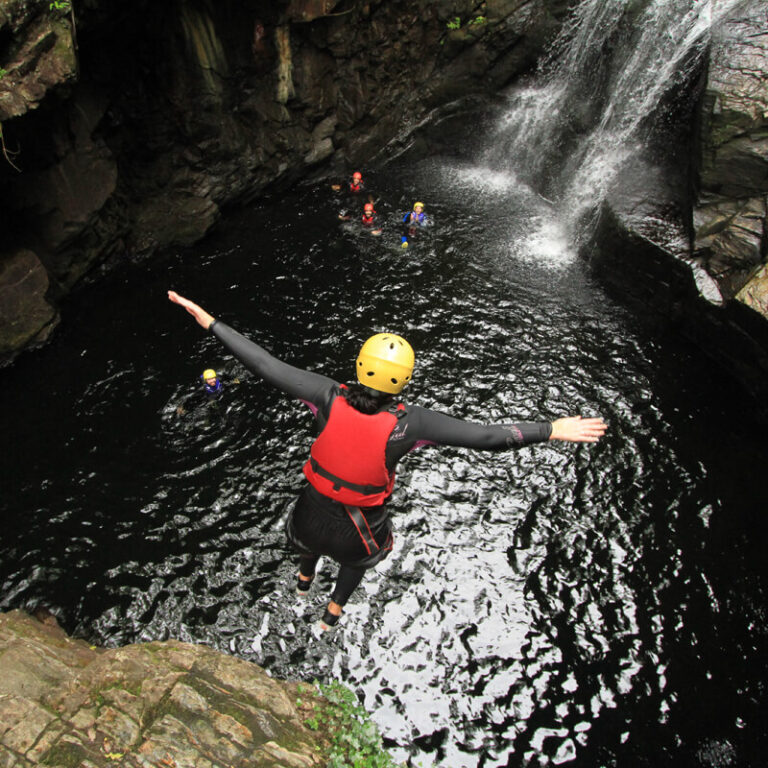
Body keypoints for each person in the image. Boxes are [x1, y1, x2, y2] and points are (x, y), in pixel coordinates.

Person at [168, 291, 608, 630]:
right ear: (405, 380)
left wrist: (209, 321)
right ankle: (330, 615)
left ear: (360, 365)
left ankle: (303, 585)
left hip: (309, 515)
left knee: (309, 541)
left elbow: (264, 362)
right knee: (353, 562)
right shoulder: (410, 424)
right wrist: (550, 428)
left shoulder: (325, 395)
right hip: (357, 529)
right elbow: (487, 437)